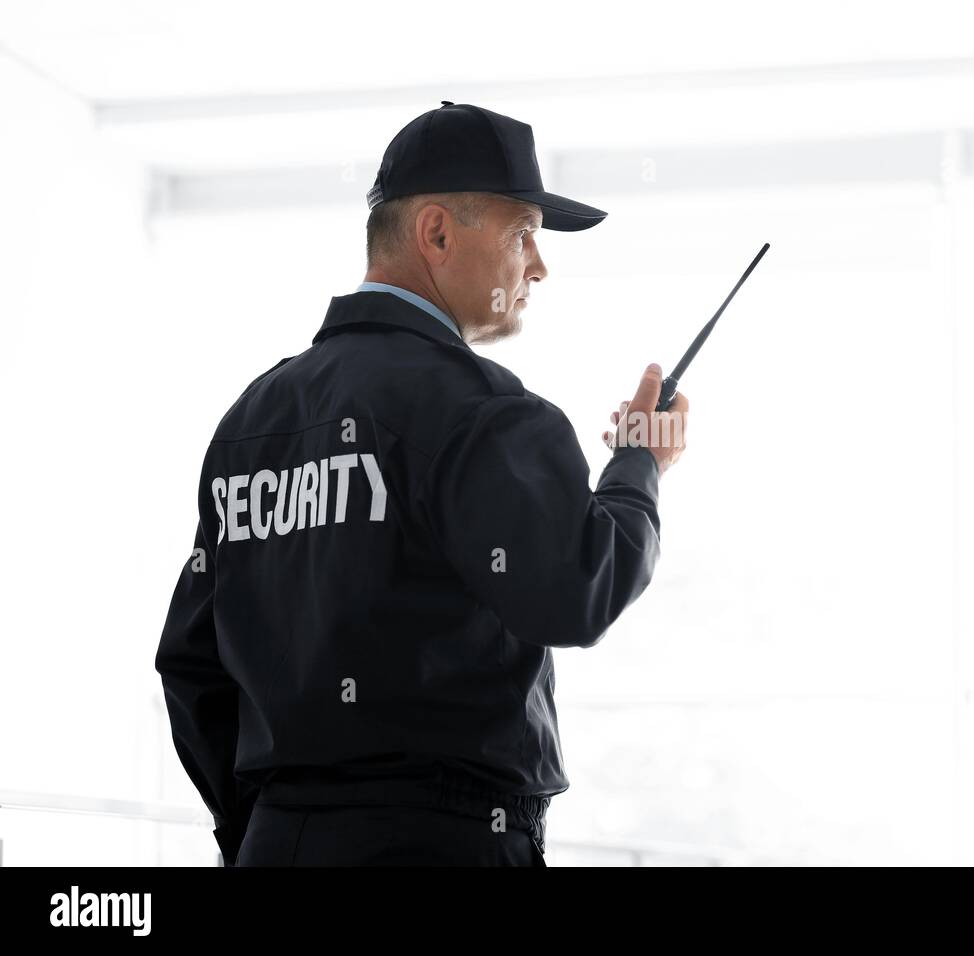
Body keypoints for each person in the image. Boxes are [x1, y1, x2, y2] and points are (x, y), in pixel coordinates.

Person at [154, 102, 688, 867]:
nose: (538, 265)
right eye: (523, 232)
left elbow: (191, 664)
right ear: (437, 233)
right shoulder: (483, 409)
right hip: (443, 841)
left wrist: (262, 830)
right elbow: (576, 589)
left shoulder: (251, 421)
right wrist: (639, 465)